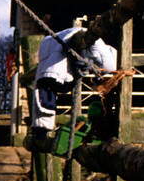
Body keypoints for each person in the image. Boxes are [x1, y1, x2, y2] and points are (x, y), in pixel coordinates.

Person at [29, 22, 117, 151]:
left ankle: (41, 132)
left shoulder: (100, 52)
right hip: (65, 52)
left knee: (45, 92)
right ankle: (41, 134)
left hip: (57, 50)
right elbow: (104, 66)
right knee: (46, 91)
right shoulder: (101, 52)